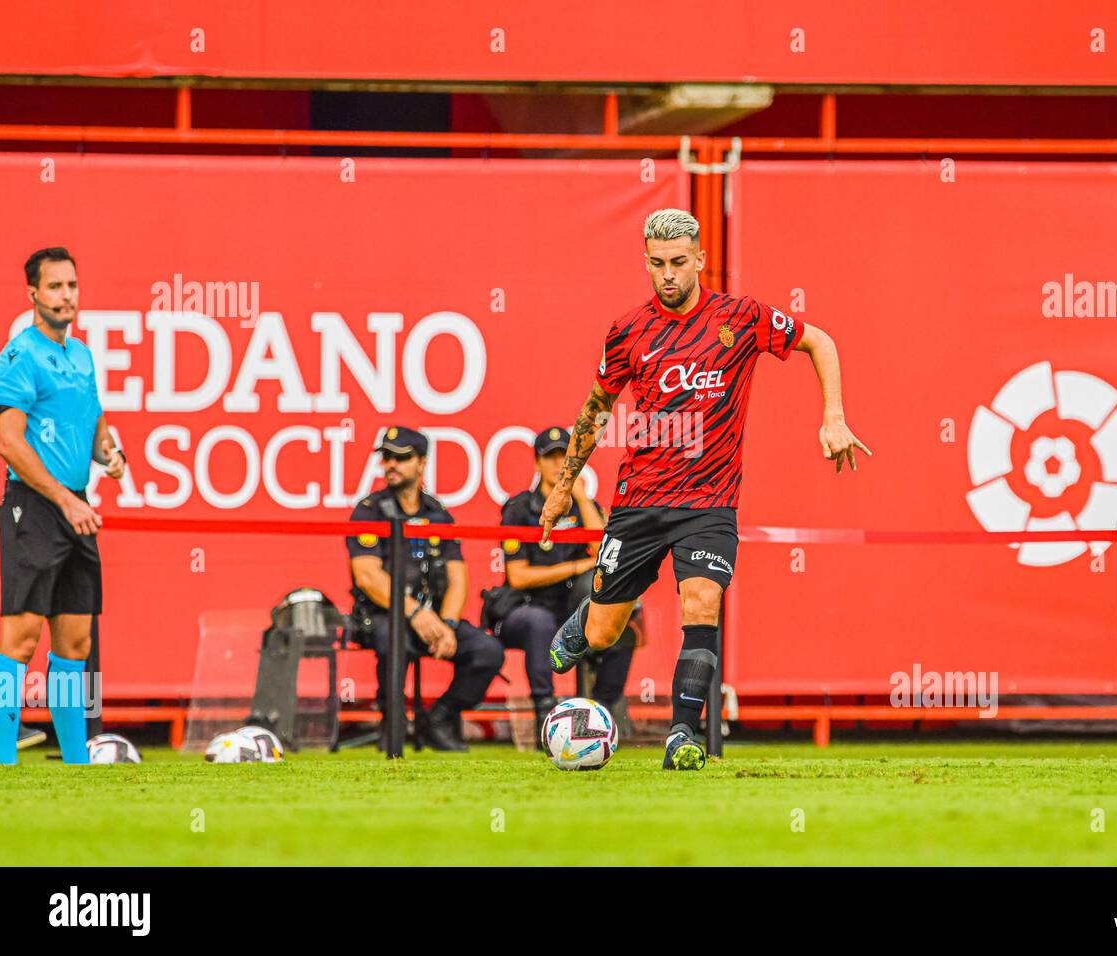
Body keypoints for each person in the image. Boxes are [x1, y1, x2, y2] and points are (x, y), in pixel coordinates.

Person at [542, 208, 871, 770]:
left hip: (709, 502)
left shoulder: (741, 317)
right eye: (656, 264)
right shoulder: (627, 331)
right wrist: (563, 487)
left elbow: (822, 341)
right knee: (602, 633)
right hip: (639, 501)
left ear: (698, 260)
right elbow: (596, 410)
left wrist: (833, 416)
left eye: (677, 263)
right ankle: (586, 620)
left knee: (702, 603)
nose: (667, 274)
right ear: (645, 262)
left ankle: (682, 735)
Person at [0, 248, 127, 765]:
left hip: (77, 506)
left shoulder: (82, 355)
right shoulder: (18, 354)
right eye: (55, 287)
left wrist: (111, 455)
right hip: (34, 505)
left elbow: (96, 428)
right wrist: (61, 501)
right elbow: (8, 441)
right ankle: (4, 762)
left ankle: (76, 767)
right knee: (20, 638)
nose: (66, 295)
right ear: (33, 294)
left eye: (72, 285)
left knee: (75, 643)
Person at [346, 426, 504, 752]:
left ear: (421, 463)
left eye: (401, 458)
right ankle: (393, 722)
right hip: (384, 615)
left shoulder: (438, 515)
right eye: (387, 457)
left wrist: (446, 624)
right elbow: (367, 576)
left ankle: (439, 719)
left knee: (487, 651)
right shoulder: (369, 510)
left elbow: (458, 576)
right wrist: (415, 613)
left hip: (432, 615)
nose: (391, 464)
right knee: (394, 640)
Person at [495, 426, 637, 742]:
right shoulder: (518, 509)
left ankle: (601, 711)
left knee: (624, 613)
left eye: (565, 456)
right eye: (551, 456)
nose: (559, 463)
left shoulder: (586, 508)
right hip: (527, 607)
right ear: (537, 463)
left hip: (574, 607)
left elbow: (606, 557)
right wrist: (575, 566)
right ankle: (545, 716)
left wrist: (583, 498)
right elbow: (519, 576)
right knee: (539, 622)